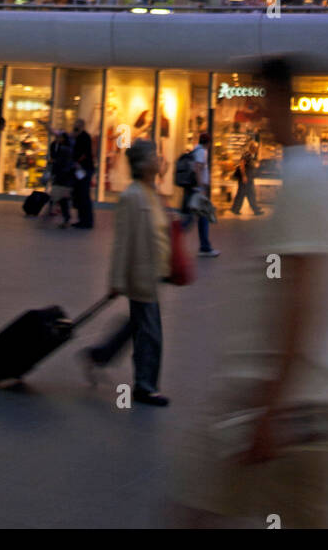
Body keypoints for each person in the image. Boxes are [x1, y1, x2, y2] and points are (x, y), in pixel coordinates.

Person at [170, 57, 328, 528]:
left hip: (290, 401)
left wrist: (271, 408)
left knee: (199, 513)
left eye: (257, 97)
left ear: (276, 98)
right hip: (297, 398)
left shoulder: (306, 176)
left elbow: (302, 297)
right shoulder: (319, 172)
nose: (253, 112)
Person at [81, 140, 171, 406]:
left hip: (151, 273)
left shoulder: (150, 193)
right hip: (140, 276)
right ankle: (145, 386)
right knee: (150, 332)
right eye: (154, 156)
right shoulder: (132, 196)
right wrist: (116, 280)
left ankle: (101, 355)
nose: (159, 160)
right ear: (143, 165)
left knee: (140, 324)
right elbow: (123, 242)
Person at [180, 130, 219, 256]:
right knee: (191, 218)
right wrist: (201, 188)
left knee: (201, 217)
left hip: (194, 189)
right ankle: (171, 238)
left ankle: (205, 247)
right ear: (208, 142)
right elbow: (198, 168)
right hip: (197, 190)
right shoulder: (202, 152)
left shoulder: (196, 149)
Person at [231, 132, 263, 217]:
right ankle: (255, 209)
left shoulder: (251, 155)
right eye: (256, 148)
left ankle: (236, 209)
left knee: (246, 194)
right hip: (245, 178)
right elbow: (242, 165)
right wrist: (244, 176)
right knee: (246, 193)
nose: (257, 150)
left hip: (248, 178)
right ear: (253, 148)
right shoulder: (247, 154)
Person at [48, 129, 75, 226]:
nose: (57, 139)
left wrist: (54, 167)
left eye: (59, 137)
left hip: (62, 176)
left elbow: (59, 162)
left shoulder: (64, 149)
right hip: (64, 176)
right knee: (62, 196)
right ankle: (64, 216)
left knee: (59, 195)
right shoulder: (61, 146)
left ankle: (65, 216)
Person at [71, 118, 95, 228]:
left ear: (81, 126)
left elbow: (84, 153)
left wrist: (77, 162)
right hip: (80, 169)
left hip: (85, 169)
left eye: (77, 125)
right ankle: (82, 220)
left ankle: (87, 221)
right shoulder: (77, 137)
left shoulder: (85, 137)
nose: (75, 127)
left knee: (84, 194)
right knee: (80, 194)